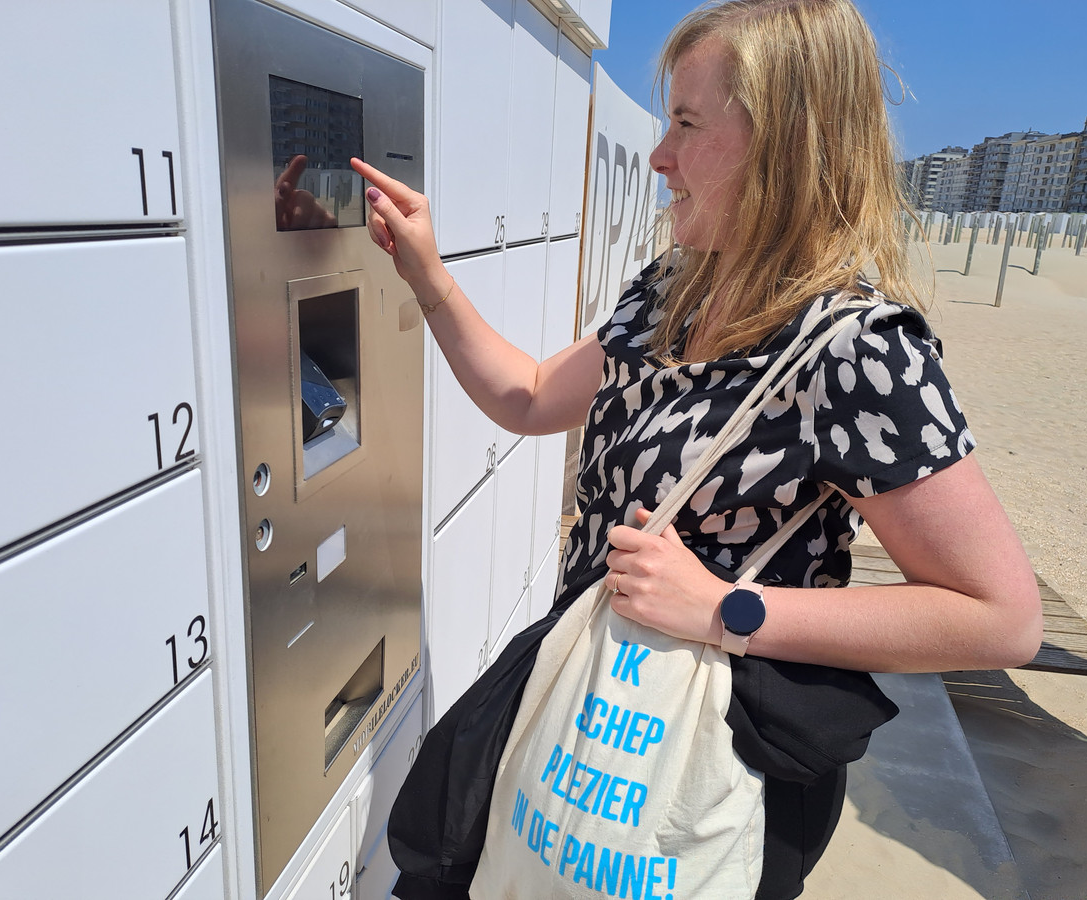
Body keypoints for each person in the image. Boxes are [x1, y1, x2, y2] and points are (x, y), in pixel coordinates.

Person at [352, 0, 1042, 895]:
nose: (658, 156)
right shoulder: (672, 288)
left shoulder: (860, 350)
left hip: (706, 767)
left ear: (784, 144)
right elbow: (526, 396)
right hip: (586, 700)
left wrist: (725, 608)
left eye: (685, 123)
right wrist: (428, 273)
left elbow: (1001, 616)